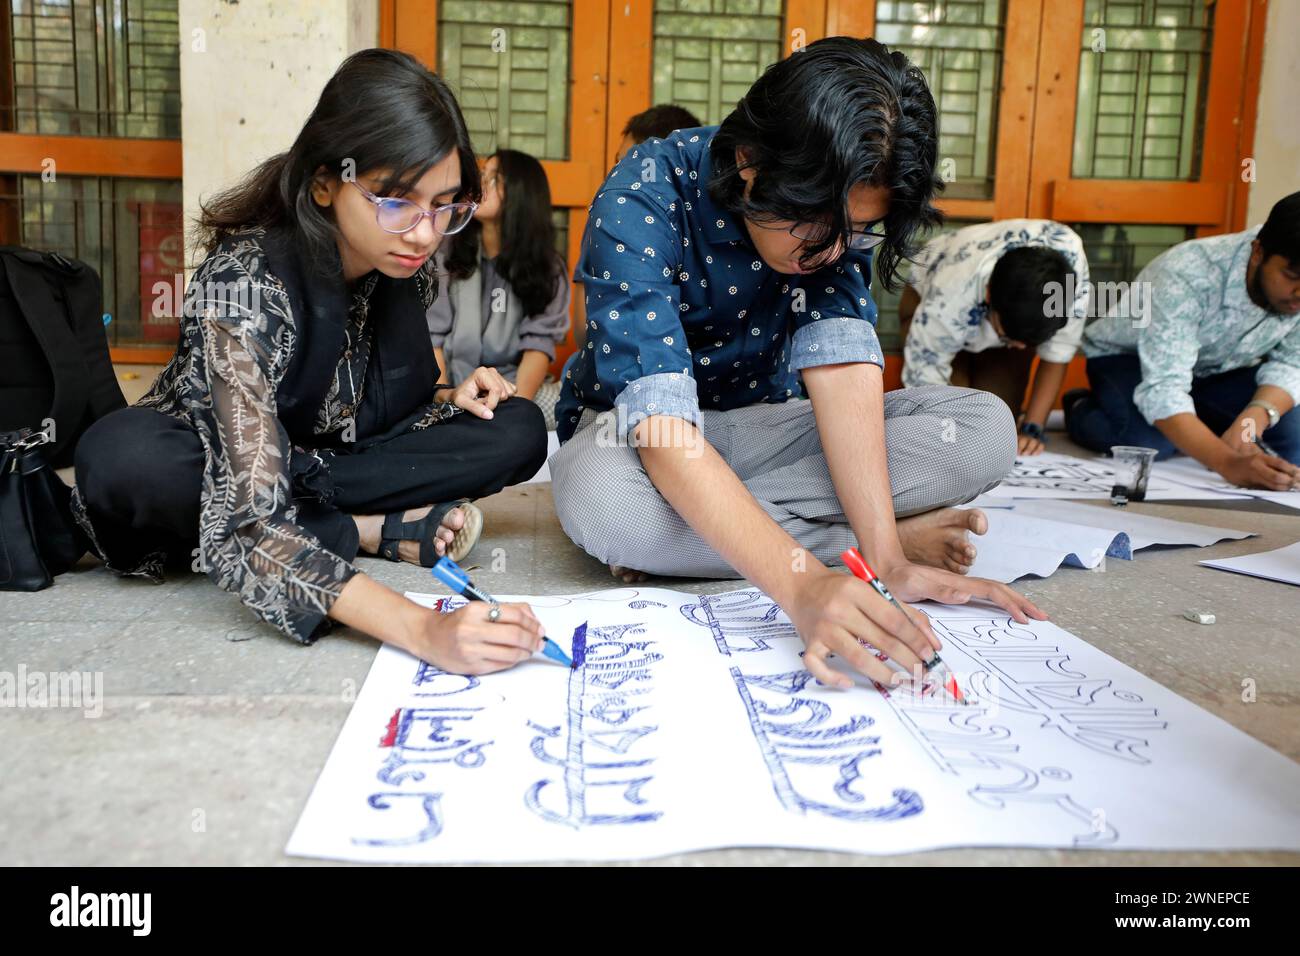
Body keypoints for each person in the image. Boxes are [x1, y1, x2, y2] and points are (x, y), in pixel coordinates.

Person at [550, 37, 1045, 693]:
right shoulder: (641, 195)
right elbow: (665, 434)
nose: (833, 250)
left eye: (857, 230)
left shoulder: (836, 220)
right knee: (599, 503)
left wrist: (887, 559)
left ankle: (741, 540)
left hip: (762, 433)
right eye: (816, 226)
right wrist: (804, 585)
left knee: (983, 429)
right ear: (750, 163)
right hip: (638, 440)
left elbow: (843, 374)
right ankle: (811, 541)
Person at [72, 50, 548, 675]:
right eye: (397, 200)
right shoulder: (242, 283)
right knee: (131, 461)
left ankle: (339, 517)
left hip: (326, 458)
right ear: (325, 182)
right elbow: (254, 521)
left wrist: (449, 400)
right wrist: (425, 630)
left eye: (444, 205)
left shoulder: (401, 264)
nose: (427, 233)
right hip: (217, 460)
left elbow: (367, 404)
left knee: (518, 427)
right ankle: (368, 529)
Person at [1067, 190, 1300, 490]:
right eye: (1292, 275)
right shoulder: (1186, 272)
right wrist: (1229, 465)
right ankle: (1080, 407)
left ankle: (1197, 423)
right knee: (1148, 444)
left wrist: (1252, 419)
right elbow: (1163, 387)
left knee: (1291, 443)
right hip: (1130, 359)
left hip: (1217, 369)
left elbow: (1292, 363)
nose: (1299, 293)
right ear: (1258, 253)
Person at [900, 220, 1089, 456]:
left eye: (1027, 344)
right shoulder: (951, 292)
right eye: (1009, 337)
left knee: (995, 424)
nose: (1020, 346)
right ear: (989, 293)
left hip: (1009, 311)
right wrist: (945, 434)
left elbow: (1057, 355)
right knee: (955, 420)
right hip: (930, 291)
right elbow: (925, 374)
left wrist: (1032, 429)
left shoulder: (1070, 282)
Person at [428, 149, 570, 423]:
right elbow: (433, 338)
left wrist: (515, 412)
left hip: (512, 390)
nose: (480, 184)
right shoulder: (446, 252)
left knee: (562, 409)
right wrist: (444, 404)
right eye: (482, 175)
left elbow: (538, 347)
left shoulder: (548, 268)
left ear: (522, 194)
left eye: (495, 178)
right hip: (451, 387)